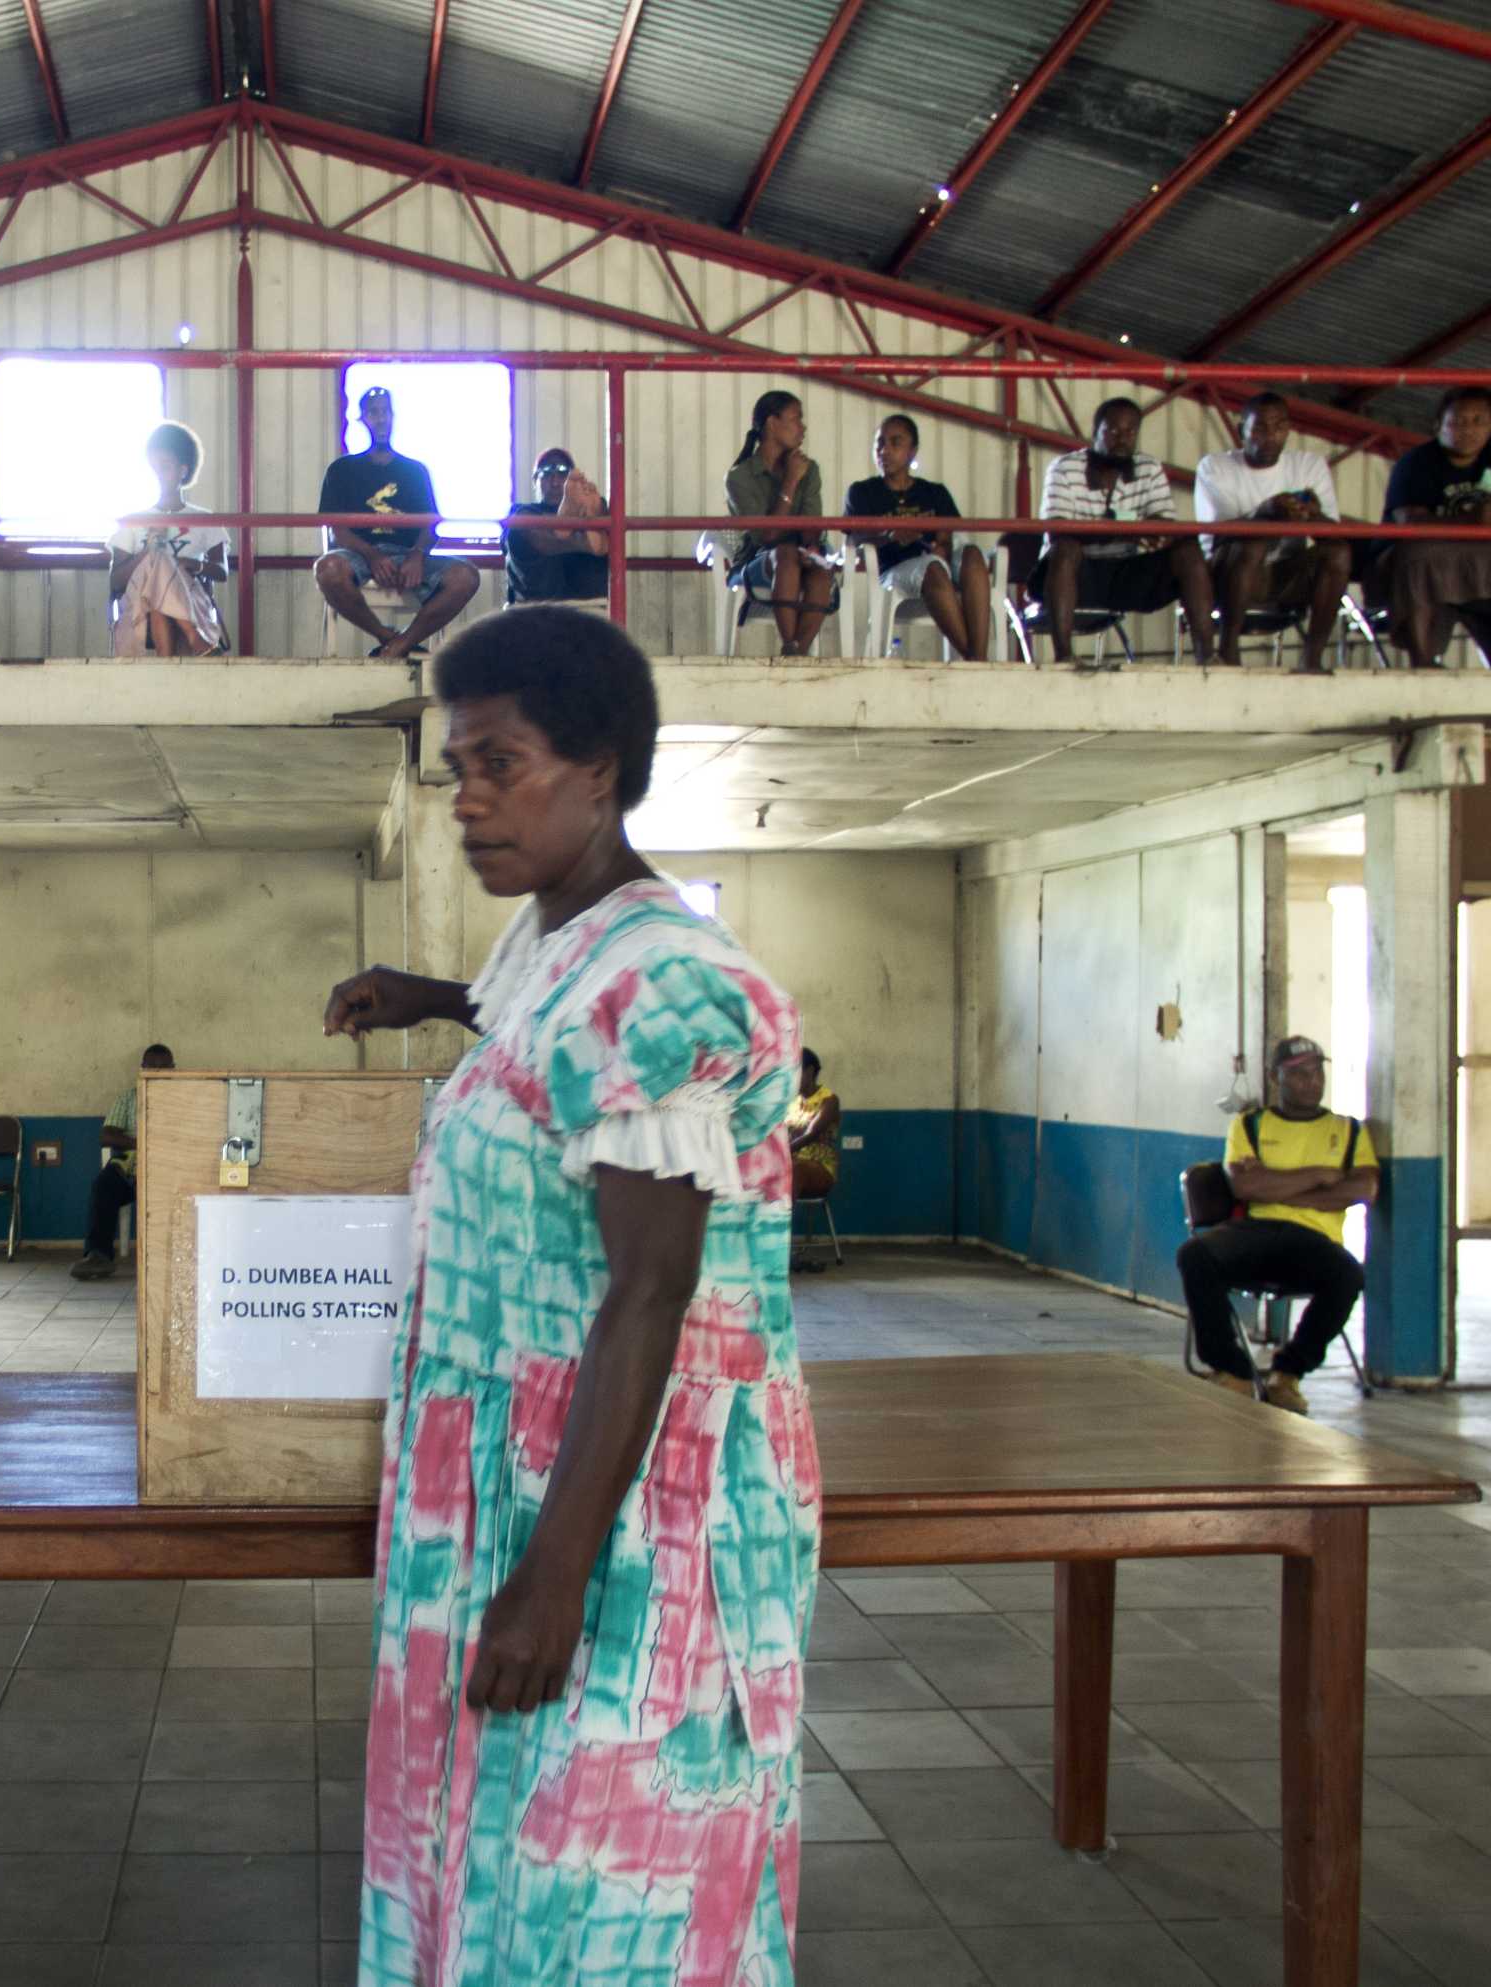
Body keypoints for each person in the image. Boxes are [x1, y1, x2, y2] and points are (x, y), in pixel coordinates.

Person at [323, 606, 815, 1985]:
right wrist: (426, 992)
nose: (466, 798)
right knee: (482, 1850)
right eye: (454, 766)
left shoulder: (667, 979)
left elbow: (648, 1297)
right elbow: (540, 1039)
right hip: (503, 1473)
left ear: (600, 769)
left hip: (615, 1509)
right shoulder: (558, 941)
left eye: (501, 762)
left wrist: (552, 1577)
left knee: (604, 1871)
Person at [1173, 1036, 1378, 1418]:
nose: (1311, 1081)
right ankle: (1231, 1370)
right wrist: (1320, 1176)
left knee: (1348, 1275)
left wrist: (1278, 1185)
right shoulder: (1249, 1125)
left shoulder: (1348, 1130)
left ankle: (1289, 1373)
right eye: (1299, 1074)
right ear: (1274, 1078)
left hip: (1316, 1240)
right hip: (1256, 1233)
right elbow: (1246, 1186)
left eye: (1317, 1071)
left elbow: (1364, 1188)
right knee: (1195, 1255)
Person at [1377, 385, 1491, 670]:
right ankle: (1423, 660)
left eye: (1478, 421)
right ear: (1439, 424)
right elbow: (1408, 520)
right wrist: (1470, 520)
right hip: (1433, 555)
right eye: (1458, 422)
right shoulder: (1415, 463)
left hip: (1488, 556)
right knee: (1415, 556)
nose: (1468, 429)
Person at [1035, 397, 1217, 669]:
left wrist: (1152, 530)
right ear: (1094, 433)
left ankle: (1207, 657)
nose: (1122, 439)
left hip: (1127, 572)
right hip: (1079, 573)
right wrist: (1124, 530)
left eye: (1131, 431)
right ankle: (1064, 657)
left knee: (1188, 550)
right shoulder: (1065, 468)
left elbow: (1164, 524)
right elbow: (1057, 530)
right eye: (1113, 431)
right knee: (1065, 549)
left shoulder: (1148, 468)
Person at [1191, 391, 1352, 673]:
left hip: (1286, 574)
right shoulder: (1216, 466)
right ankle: (1228, 650)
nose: (1270, 436)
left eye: (1279, 427)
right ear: (1242, 430)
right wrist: (1264, 512)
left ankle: (1312, 657)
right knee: (1252, 543)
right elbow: (1218, 533)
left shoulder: (1308, 466)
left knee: (1339, 552)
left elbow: (1334, 534)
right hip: (1227, 572)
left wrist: (1313, 515)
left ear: (1288, 430)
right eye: (1259, 428)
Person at [313, 385, 477, 659]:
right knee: (327, 570)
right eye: (373, 412)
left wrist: (417, 555)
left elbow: (431, 525)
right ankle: (386, 636)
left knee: (466, 576)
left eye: (386, 412)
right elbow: (336, 529)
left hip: (407, 555)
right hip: (358, 554)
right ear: (363, 419)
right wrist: (372, 555)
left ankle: (401, 645)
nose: (381, 418)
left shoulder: (415, 470)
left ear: (393, 416)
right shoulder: (341, 470)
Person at [843, 414, 988, 659]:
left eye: (895, 442)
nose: (884, 450)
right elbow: (855, 539)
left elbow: (949, 530)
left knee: (972, 555)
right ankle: (976, 661)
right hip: (894, 570)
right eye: (879, 443)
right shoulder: (862, 492)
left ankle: (978, 657)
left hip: (935, 561)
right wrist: (890, 536)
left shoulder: (934, 492)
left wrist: (942, 544)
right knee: (933, 568)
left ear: (912, 451)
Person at [723, 389, 838, 655]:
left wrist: (811, 548)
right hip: (755, 561)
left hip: (802, 553)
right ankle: (789, 644)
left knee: (821, 575)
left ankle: (796, 652)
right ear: (772, 424)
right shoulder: (740, 477)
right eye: (796, 419)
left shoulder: (810, 470)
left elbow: (813, 526)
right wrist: (790, 482)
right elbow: (767, 535)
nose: (803, 427)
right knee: (784, 554)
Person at [107, 423, 227, 655]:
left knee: (159, 586)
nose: (157, 475)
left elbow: (221, 571)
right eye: (153, 468)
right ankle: (195, 638)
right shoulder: (132, 521)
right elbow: (115, 582)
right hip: (138, 606)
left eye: (165, 467)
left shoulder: (204, 520)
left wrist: (191, 564)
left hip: (187, 601)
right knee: (156, 560)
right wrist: (147, 554)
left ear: (183, 470)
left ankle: (167, 662)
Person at [72, 1043, 174, 1280]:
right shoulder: (129, 1098)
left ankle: (176, 1256)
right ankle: (98, 1256)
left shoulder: (184, 1098)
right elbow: (106, 1135)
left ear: (173, 1069)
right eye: (151, 1067)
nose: (157, 1073)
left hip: (168, 1171)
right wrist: (145, 1141)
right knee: (103, 1185)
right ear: (142, 1068)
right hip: (130, 1170)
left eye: (163, 1068)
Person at [502, 446, 610, 606]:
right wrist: (583, 534)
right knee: (520, 522)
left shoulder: (584, 504)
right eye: (546, 473)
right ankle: (574, 530)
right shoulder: (523, 510)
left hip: (588, 603)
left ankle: (565, 526)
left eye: (563, 473)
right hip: (534, 605)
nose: (555, 482)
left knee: (601, 518)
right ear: (534, 481)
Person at [786, 1048, 841, 1200]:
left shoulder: (829, 1100)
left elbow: (812, 1133)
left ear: (809, 1071)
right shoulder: (792, 1103)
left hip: (820, 1169)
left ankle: (777, 1222)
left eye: (794, 1072)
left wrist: (783, 1154)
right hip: (792, 1165)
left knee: (796, 1170)